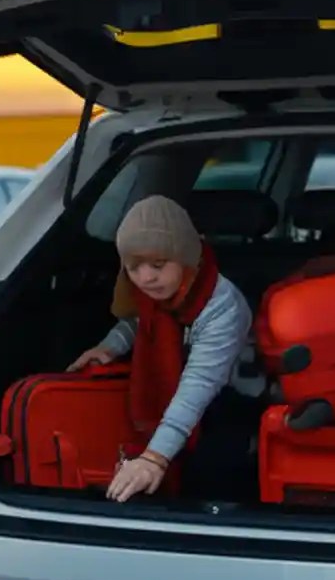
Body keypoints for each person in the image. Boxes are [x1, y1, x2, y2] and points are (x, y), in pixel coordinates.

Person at [67, 194, 261, 503]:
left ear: (185, 257)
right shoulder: (157, 293)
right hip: (188, 408)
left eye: (158, 264)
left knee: (211, 473)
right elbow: (138, 321)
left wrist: (155, 458)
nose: (146, 278)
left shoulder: (221, 305)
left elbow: (199, 384)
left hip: (237, 404)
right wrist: (109, 347)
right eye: (133, 268)